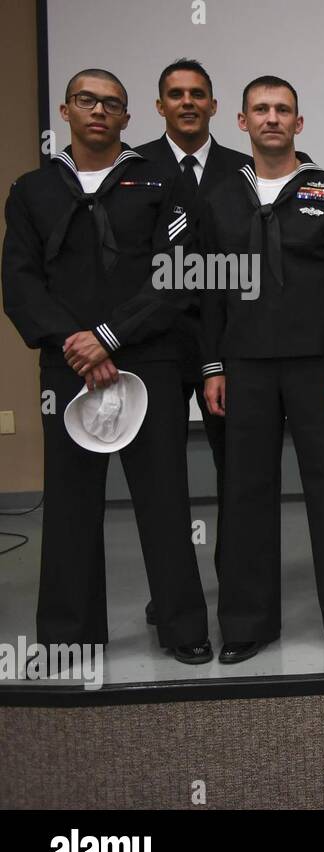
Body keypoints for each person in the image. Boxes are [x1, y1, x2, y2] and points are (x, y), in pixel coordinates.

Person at [3, 67, 210, 663]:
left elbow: (178, 275)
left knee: (165, 500)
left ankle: (183, 628)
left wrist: (110, 336)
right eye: (86, 100)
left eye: (111, 103)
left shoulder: (160, 182)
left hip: (151, 361)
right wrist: (76, 340)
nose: (99, 110)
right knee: (70, 505)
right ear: (66, 111)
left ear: (127, 116)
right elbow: (20, 284)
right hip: (67, 367)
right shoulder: (31, 191)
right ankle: (70, 637)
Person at [199, 75, 324, 663]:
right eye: (261, 110)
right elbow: (206, 290)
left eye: (283, 110)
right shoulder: (218, 196)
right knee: (243, 495)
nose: (272, 118)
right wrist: (212, 364)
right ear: (242, 122)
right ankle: (247, 624)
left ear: (299, 124)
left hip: (318, 368)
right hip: (244, 368)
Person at [136, 59, 251, 598]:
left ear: (213, 105)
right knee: (162, 478)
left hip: (227, 342)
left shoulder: (243, 169)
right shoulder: (131, 168)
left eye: (198, 94)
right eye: (176, 94)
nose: (187, 102)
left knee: (238, 473)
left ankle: (237, 587)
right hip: (154, 343)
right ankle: (174, 596)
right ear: (160, 106)